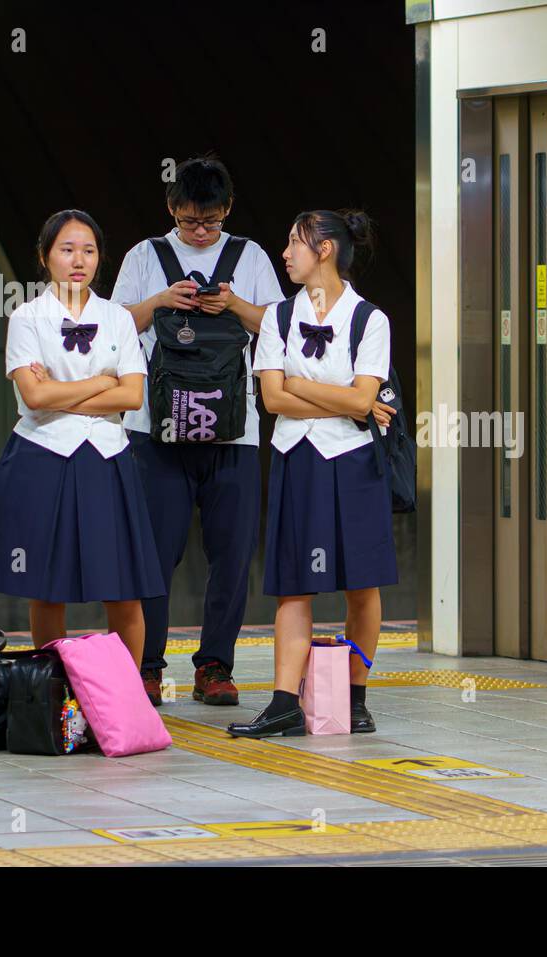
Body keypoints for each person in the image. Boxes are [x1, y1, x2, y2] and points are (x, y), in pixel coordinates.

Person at [112, 156, 285, 706]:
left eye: (209, 221)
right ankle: (147, 667)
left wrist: (233, 303)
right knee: (153, 552)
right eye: (189, 221)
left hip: (234, 431)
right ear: (171, 209)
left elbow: (281, 330)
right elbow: (113, 329)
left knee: (232, 554)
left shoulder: (250, 255)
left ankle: (215, 666)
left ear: (227, 210)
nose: (200, 231)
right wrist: (162, 300)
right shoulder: (146, 255)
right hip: (153, 429)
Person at [228, 210, 397, 738]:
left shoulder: (370, 319)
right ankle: (283, 701)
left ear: (324, 249)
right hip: (296, 458)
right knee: (292, 587)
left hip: (353, 462)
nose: (285, 253)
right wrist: (341, 399)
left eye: (294, 243)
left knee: (361, 587)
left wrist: (308, 386)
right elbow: (274, 399)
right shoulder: (277, 316)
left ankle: (355, 697)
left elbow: (364, 399)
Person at [0, 210, 164, 667]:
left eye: (88, 250)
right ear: (45, 257)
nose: (78, 260)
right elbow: (34, 395)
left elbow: (133, 395)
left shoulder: (118, 318)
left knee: (124, 588)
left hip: (108, 458)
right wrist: (102, 384)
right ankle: (50, 695)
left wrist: (61, 394)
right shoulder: (27, 316)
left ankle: (126, 700)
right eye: (66, 249)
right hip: (43, 457)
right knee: (49, 588)